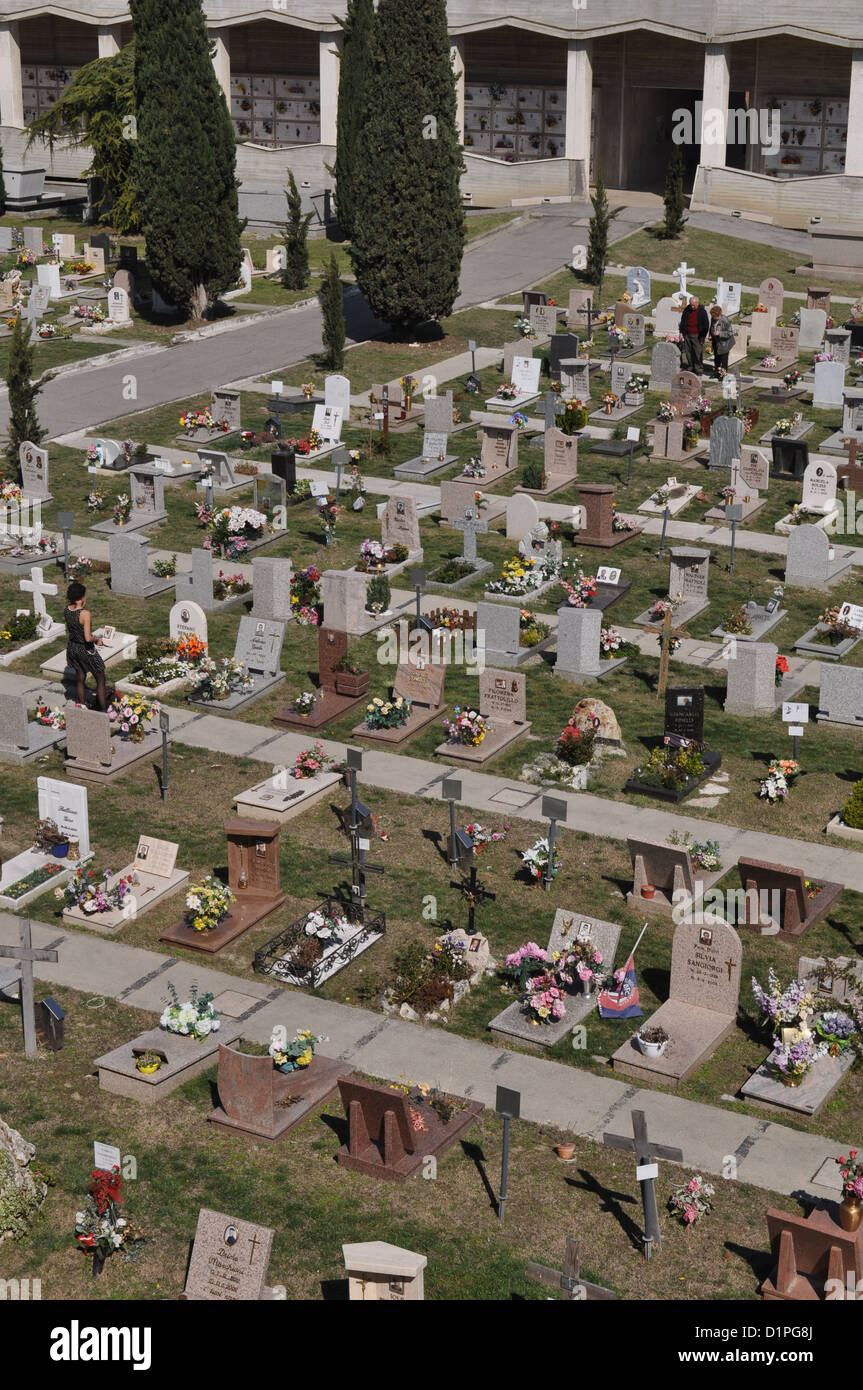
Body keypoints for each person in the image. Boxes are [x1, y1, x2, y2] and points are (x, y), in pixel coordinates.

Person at [64, 582, 108, 711]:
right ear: (82, 597)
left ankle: (82, 705)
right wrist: (97, 639)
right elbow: (87, 638)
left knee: (80, 677)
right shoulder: (85, 614)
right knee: (100, 677)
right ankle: (104, 710)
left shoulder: (67, 610)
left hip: (72, 647)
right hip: (85, 649)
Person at [679, 295, 709, 375]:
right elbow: (683, 321)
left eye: (693, 305)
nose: (692, 306)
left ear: (697, 303)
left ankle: (698, 368)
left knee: (697, 352)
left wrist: (702, 338)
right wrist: (681, 332)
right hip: (687, 334)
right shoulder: (687, 310)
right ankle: (691, 366)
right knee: (688, 352)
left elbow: (706, 326)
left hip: (697, 335)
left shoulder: (702, 311)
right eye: (691, 304)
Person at [708, 304, 736, 378]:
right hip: (716, 342)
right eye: (713, 316)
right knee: (716, 358)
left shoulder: (725, 320)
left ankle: (723, 374)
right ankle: (717, 372)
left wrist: (719, 333)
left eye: (715, 316)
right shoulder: (713, 318)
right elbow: (711, 327)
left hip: (724, 343)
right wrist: (711, 335)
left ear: (719, 314)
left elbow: (730, 333)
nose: (714, 318)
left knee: (724, 360)